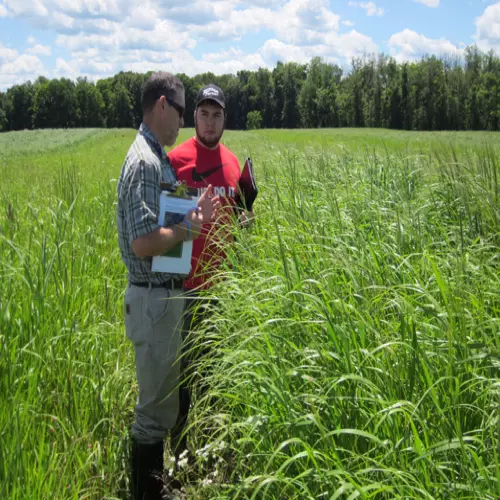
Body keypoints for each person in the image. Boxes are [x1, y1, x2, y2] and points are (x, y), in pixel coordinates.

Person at [116, 71, 219, 500]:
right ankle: (147, 494)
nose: (183, 122)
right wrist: (188, 228)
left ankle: (154, 490)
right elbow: (143, 243)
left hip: (162, 299)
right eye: (180, 111)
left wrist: (183, 216)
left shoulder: (152, 155)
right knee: (153, 416)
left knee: (160, 406)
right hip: (154, 300)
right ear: (162, 105)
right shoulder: (144, 160)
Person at [168, 83, 254, 465]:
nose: (209, 121)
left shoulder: (234, 164)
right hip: (184, 285)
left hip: (222, 287)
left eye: (216, 114)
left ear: (224, 119)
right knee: (182, 371)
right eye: (203, 113)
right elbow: (166, 230)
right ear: (194, 117)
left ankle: (212, 441)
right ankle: (180, 444)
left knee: (216, 369)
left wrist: (247, 221)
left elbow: (240, 220)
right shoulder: (176, 161)